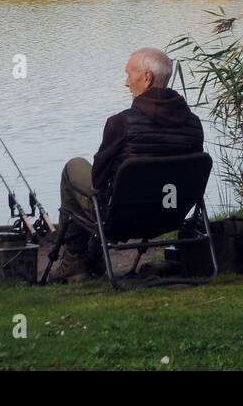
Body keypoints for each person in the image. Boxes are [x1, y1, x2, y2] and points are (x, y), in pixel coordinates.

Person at [49, 47, 203, 283]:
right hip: (170, 216)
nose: (126, 82)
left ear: (146, 77)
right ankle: (90, 254)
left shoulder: (121, 123)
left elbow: (98, 182)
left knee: (74, 168)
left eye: (129, 74)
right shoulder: (193, 124)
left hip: (121, 220)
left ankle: (74, 258)